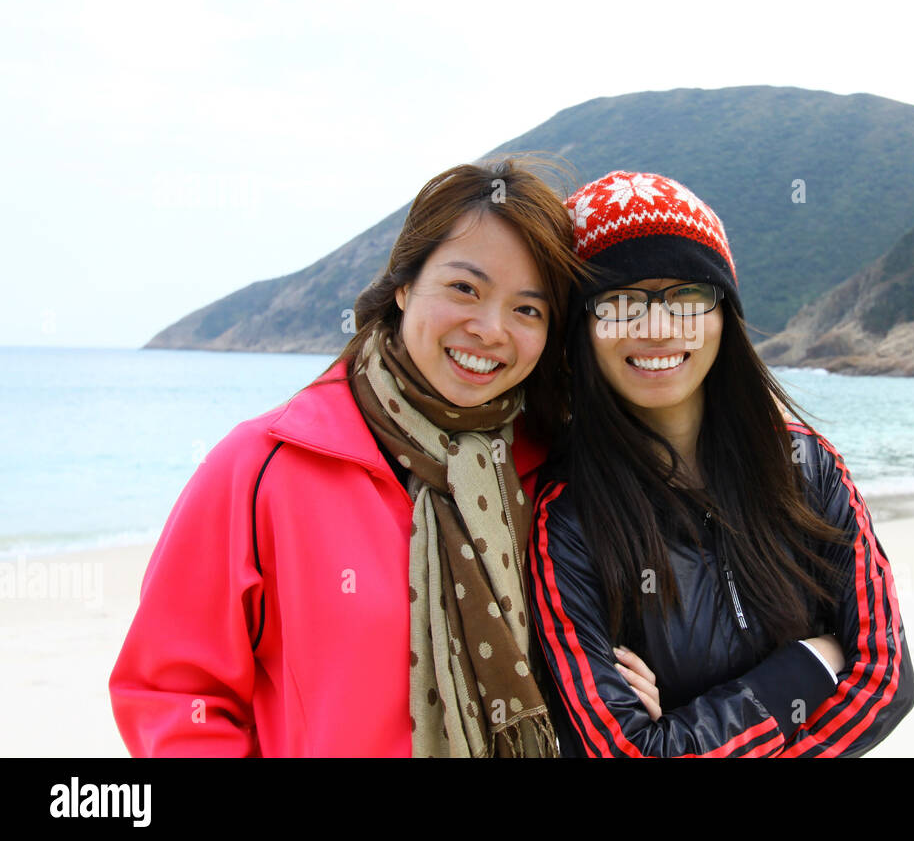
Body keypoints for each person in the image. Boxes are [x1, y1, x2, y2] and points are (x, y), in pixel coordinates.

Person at [110, 158, 590, 757]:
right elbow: (173, 696)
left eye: (528, 309)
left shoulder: (549, 475)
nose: (490, 329)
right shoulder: (264, 465)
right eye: (465, 288)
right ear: (404, 286)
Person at [529, 170, 914, 757]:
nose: (656, 329)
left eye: (686, 296)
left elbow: (886, 680)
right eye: (618, 302)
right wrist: (812, 663)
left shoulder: (805, 467)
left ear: (723, 314)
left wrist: (686, 733)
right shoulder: (568, 521)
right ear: (581, 327)